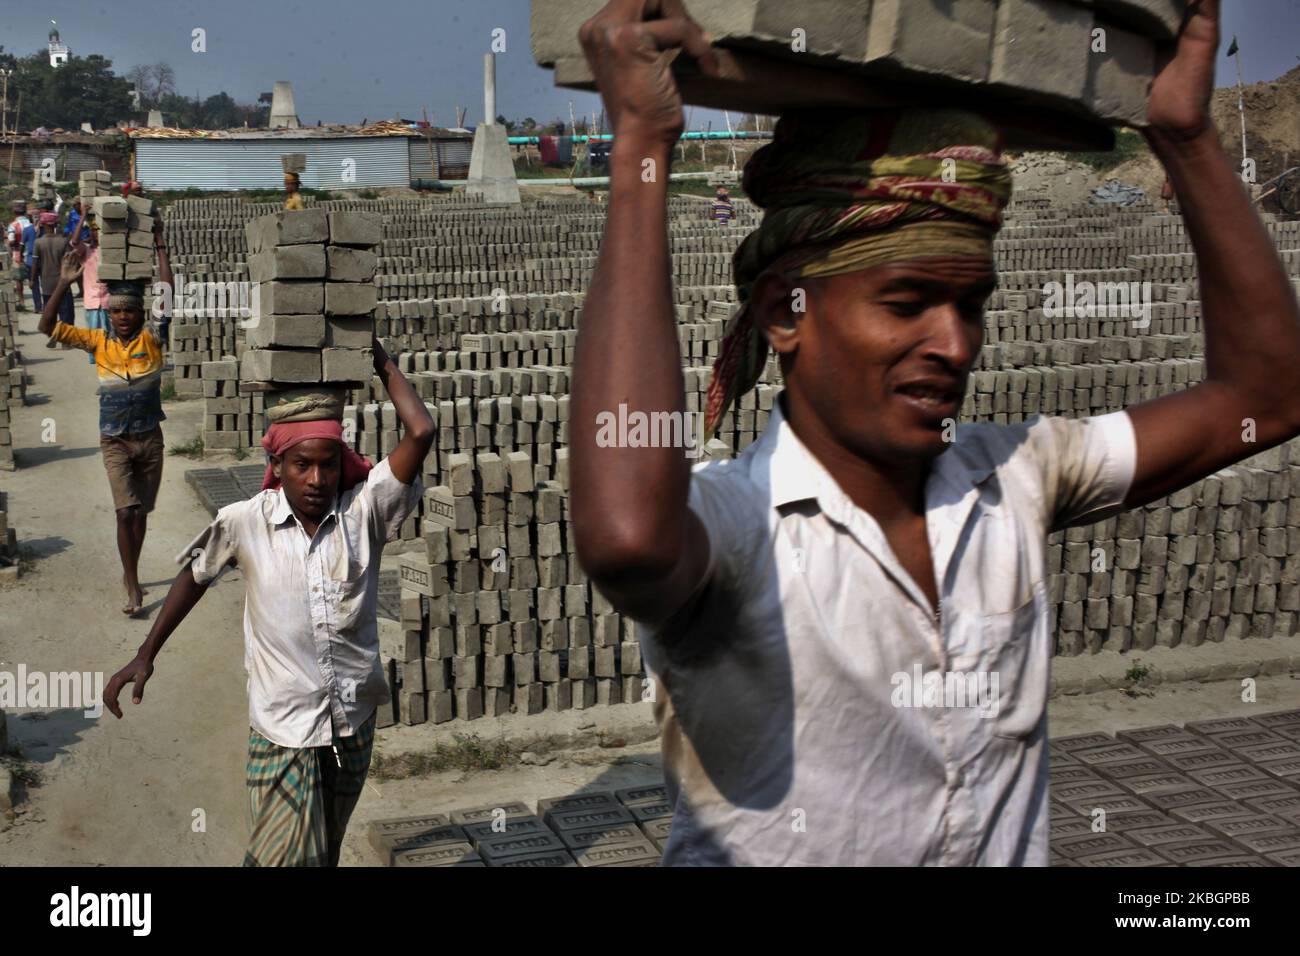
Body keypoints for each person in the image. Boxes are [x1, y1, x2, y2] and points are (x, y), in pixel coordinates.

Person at [569, 0, 1300, 866]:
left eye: (971, 304)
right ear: (784, 313)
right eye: (908, 303)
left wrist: (1187, 137)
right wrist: (641, 153)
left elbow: (1269, 395)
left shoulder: (1022, 472)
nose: (953, 345)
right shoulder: (737, 527)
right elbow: (625, 536)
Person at [101, 340, 435, 867]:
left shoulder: (364, 512)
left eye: (328, 465)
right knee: (280, 858)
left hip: (351, 721)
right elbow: (195, 574)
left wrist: (377, 360)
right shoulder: (245, 521)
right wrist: (146, 654)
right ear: (277, 464)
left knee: (322, 852)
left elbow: (422, 431)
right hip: (284, 727)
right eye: (302, 465)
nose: (317, 481)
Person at [38, 215, 175, 615]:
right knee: (125, 511)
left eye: (129, 311)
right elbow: (47, 326)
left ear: (138, 313)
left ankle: (131, 569)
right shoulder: (97, 342)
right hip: (114, 439)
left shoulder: (152, 340)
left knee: (142, 514)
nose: (122, 317)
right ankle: (132, 585)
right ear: (109, 315)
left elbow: (166, 294)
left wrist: (160, 244)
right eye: (116, 312)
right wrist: (64, 281)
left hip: (150, 438)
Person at [33, 212, 74, 335]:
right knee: (66, 313)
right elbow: (70, 261)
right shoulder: (63, 241)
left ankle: (53, 335)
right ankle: (66, 339)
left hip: (47, 284)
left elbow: (35, 263)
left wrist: (32, 280)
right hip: (63, 283)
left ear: (43, 224)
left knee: (50, 313)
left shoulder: (38, 242)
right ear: (56, 224)